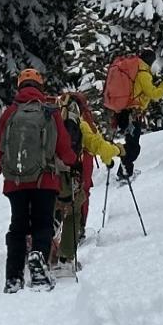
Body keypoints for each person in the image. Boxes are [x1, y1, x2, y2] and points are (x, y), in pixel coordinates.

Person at [0, 68, 75, 293]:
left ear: (20, 86)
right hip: (44, 180)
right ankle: (38, 268)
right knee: (42, 225)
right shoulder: (50, 111)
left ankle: (13, 278)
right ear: (39, 86)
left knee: (17, 227)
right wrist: (71, 161)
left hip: (14, 182)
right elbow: (63, 146)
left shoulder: (10, 113)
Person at [51, 91, 120, 273]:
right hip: (69, 176)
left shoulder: (47, 120)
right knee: (74, 211)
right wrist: (116, 152)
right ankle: (65, 258)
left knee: (46, 209)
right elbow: (97, 144)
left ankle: (41, 250)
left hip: (45, 177)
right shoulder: (80, 123)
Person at [103, 53, 163, 181]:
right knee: (133, 146)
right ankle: (125, 172)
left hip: (123, 113)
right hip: (132, 115)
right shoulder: (142, 73)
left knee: (131, 142)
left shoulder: (135, 70)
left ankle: (124, 170)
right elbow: (154, 94)